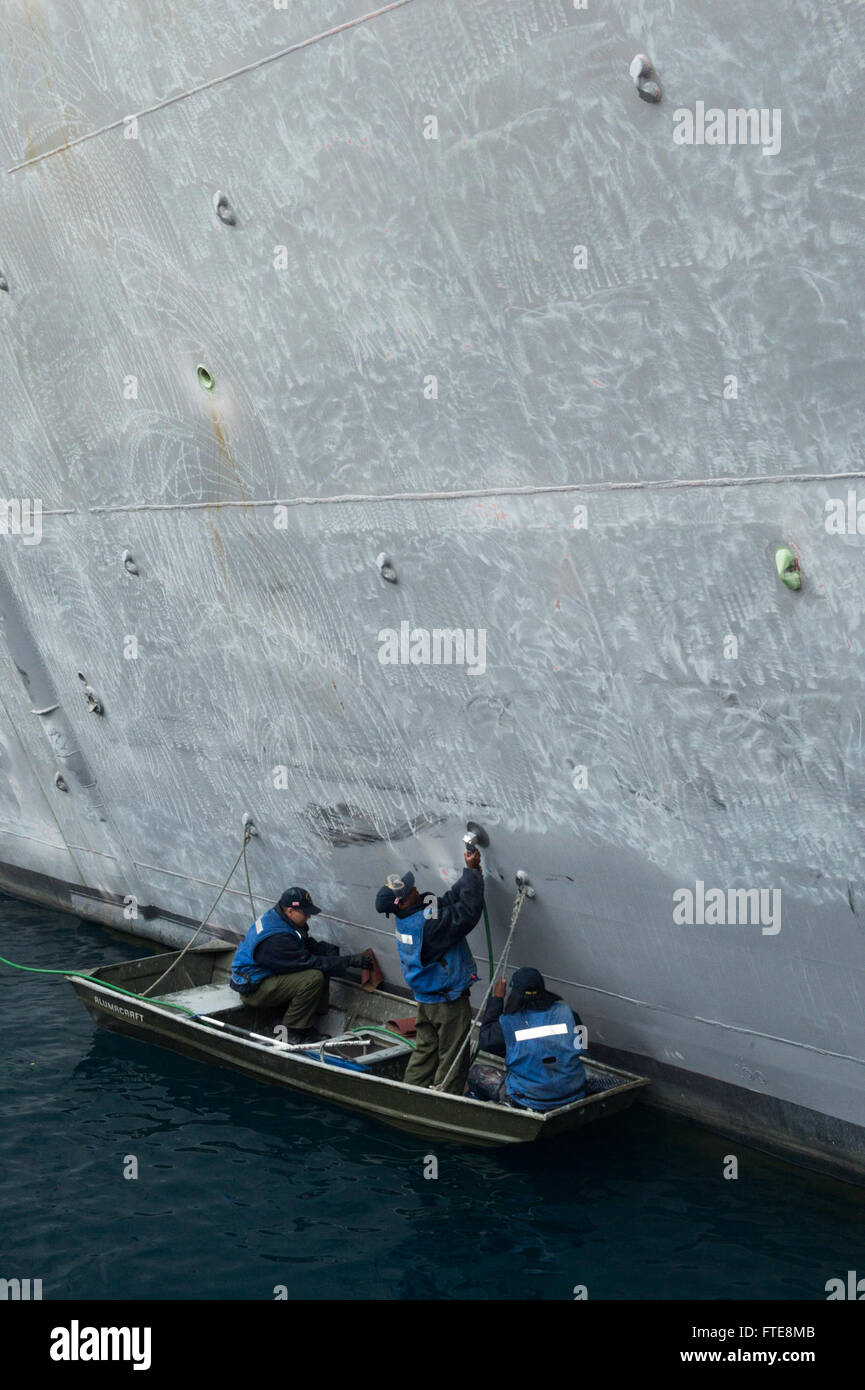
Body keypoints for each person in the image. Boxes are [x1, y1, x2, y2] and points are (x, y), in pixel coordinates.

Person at [375, 848, 484, 1094]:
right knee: (453, 1055)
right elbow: (467, 913)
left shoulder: (409, 918)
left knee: (426, 1049)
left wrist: (470, 876)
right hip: (447, 1003)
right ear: (401, 902)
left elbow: (445, 900)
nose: (415, 889)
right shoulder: (428, 927)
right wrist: (471, 873)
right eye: (410, 891)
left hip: (427, 1000)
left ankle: (410, 1092)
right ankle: (446, 1099)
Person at [230, 886, 373, 1043]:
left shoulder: (279, 919)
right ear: (290, 911)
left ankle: (306, 1020)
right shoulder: (276, 939)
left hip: (264, 975)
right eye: (305, 913)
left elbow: (302, 944)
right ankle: (292, 1030)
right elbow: (307, 962)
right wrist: (348, 961)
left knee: (322, 964)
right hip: (254, 990)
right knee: (314, 977)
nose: (309, 917)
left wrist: (328, 951)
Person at [466, 967, 587, 1109]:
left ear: (515, 994)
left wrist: (497, 999)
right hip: (574, 1092)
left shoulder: (509, 1023)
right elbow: (582, 1045)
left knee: (476, 1073)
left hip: (532, 1100)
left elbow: (486, 1041)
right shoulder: (569, 1013)